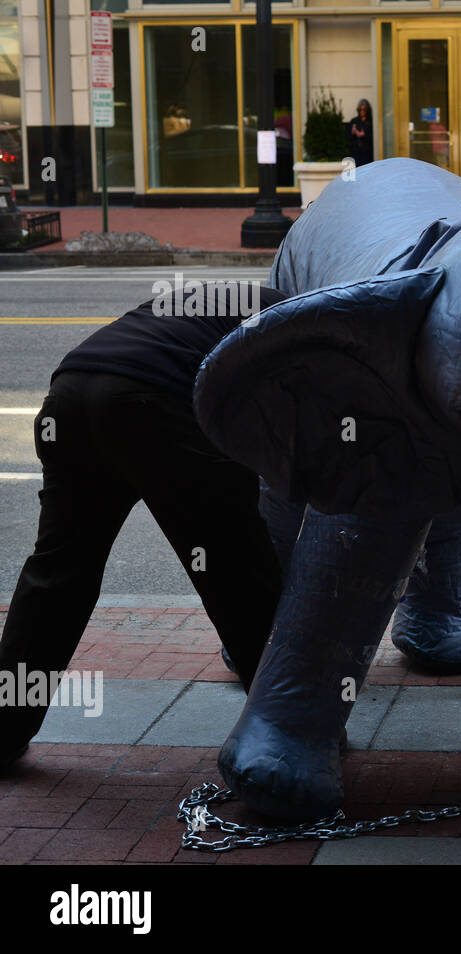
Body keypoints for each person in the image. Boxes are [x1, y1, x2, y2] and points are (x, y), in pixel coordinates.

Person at [0, 282, 290, 772]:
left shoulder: (226, 296)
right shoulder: (301, 317)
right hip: (149, 401)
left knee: (58, 572)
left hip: (70, 395)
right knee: (236, 568)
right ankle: (291, 725)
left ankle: (2, 730)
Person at [348, 99, 374, 167]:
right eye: (360, 109)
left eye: (364, 109)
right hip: (356, 153)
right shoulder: (354, 121)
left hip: (367, 153)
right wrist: (353, 133)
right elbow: (348, 136)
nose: (362, 111)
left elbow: (373, 136)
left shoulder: (371, 121)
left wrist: (364, 134)